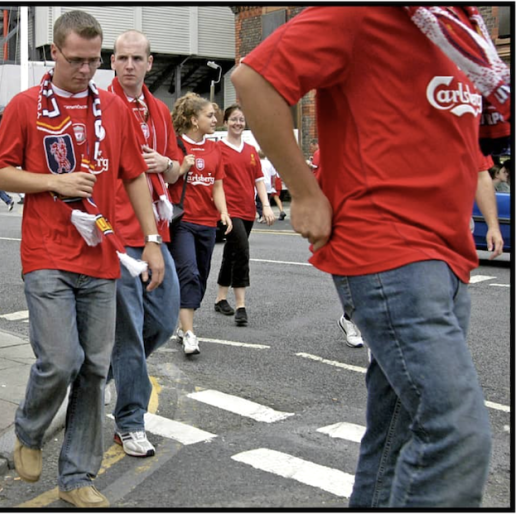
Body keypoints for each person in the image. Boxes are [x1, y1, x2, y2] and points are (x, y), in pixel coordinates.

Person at [232, 5, 507, 507]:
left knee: (397, 435)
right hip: (390, 252)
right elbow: (252, 78)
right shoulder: (361, 11)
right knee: (458, 435)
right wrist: (306, 192)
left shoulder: (459, 29)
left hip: (448, 256)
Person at [0, 10, 164, 508]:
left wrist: (150, 240)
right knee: (61, 360)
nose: (86, 70)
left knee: (94, 368)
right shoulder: (25, 107)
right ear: (54, 53)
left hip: (102, 257)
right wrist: (53, 182)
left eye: (93, 61)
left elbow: (133, 176)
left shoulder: (114, 108)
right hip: (46, 253)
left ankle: (77, 477)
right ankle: (29, 428)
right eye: (75, 60)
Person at [106, 29, 182, 458]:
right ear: (112, 62)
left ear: (150, 63)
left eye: (138, 58)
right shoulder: (102, 107)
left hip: (156, 234)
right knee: (130, 334)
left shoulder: (159, 111)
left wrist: (165, 161)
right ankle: (130, 422)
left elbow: (173, 174)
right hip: (117, 235)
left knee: (165, 320)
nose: (130, 65)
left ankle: (103, 374)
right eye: (123, 58)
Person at [169, 92, 232, 355]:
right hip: (183, 221)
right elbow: (166, 179)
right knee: (189, 273)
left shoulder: (215, 148)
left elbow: (217, 185)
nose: (215, 119)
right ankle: (190, 334)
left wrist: (224, 212)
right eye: (210, 115)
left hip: (208, 222)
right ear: (194, 120)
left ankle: (184, 325)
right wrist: (181, 167)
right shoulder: (174, 145)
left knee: (202, 276)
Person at [214, 104, 274, 326]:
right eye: (234, 119)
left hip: (248, 210)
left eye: (241, 119)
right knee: (241, 252)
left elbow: (258, 180)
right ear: (226, 122)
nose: (238, 123)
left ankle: (220, 298)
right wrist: (221, 210)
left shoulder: (250, 150)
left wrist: (266, 206)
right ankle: (241, 305)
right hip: (228, 212)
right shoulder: (218, 149)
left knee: (231, 251)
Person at [256, 149, 286, 220]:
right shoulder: (269, 163)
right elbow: (274, 174)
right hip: (268, 184)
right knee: (267, 200)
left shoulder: (257, 163)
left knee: (258, 201)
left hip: (260, 183)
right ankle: (267, 215)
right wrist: (273, 183)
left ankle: (262, 215)